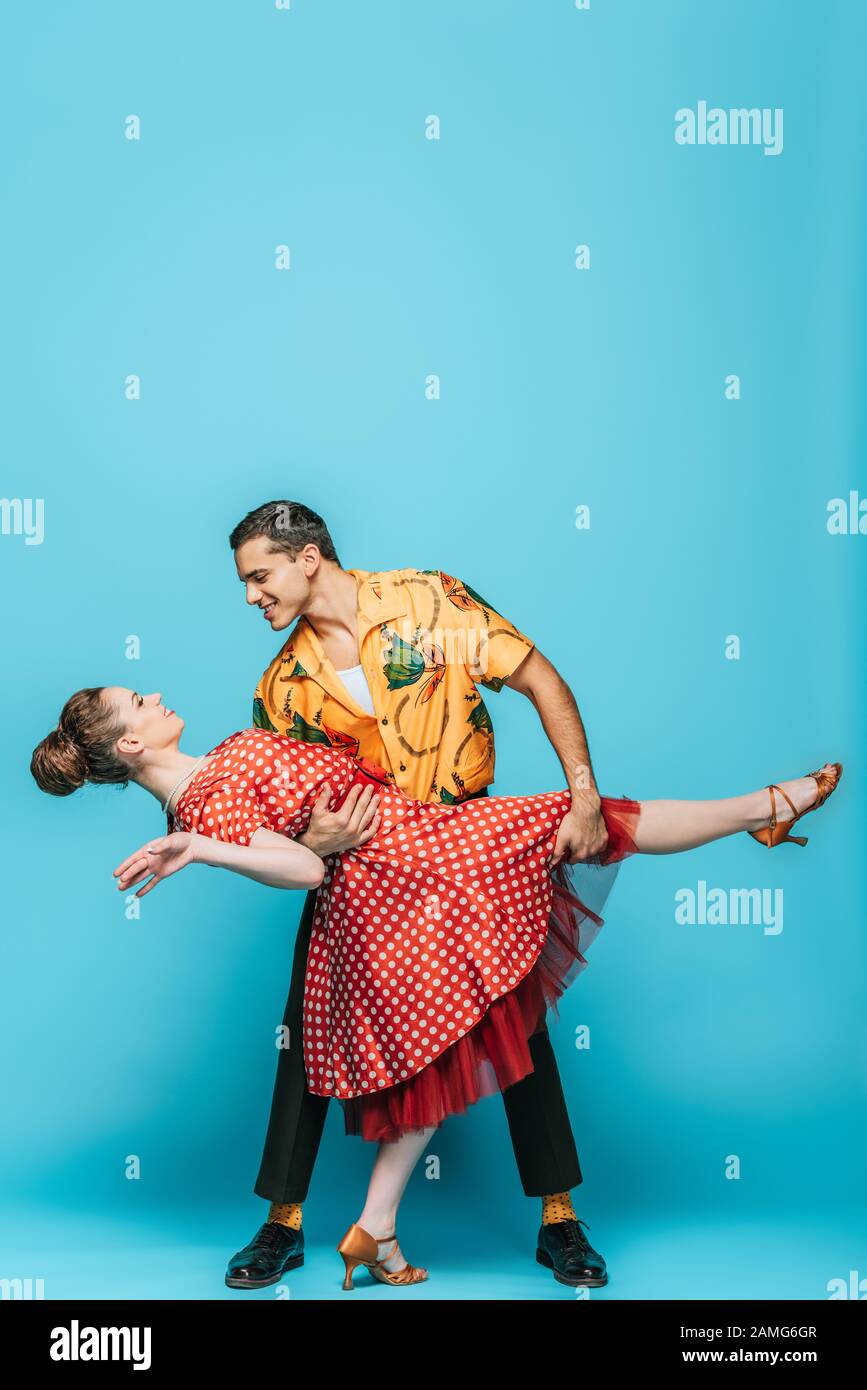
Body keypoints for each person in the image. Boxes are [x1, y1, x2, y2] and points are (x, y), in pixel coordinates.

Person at [31, 685, 841, 1290]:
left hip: (414, 850)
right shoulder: (201, 803)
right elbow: (304, 865)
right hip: (406, 871)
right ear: (130, 747)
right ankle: (764, 807)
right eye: (138, 702)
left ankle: (374, 1232)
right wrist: (204, 850)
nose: (157, 695)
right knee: (578, 819)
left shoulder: (214, 766)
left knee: (455, 1041)